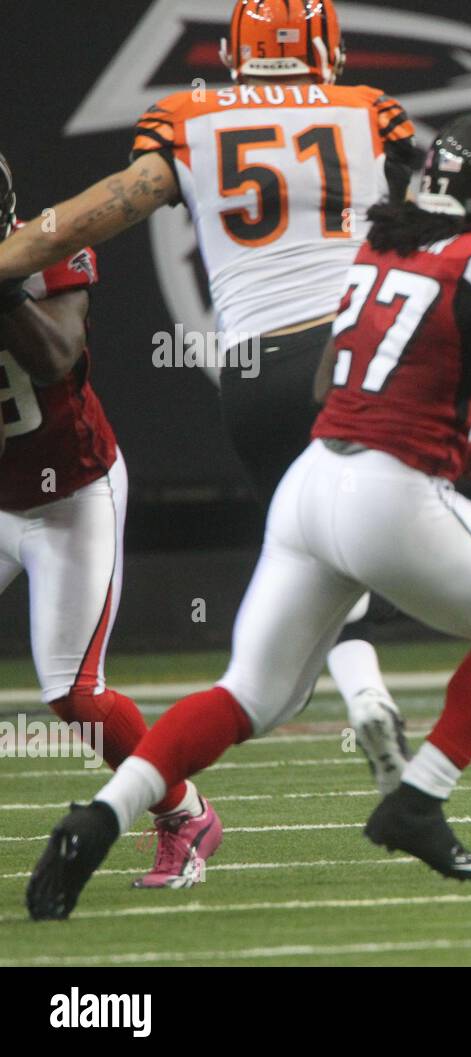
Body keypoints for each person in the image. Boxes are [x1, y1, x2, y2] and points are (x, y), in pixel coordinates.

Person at [26, 112, 471, 920]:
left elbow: (334, 385)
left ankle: (97, 817)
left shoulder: (383, 245)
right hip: (387, 497)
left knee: (247, 693)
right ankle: (419, 798)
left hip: (310, 487)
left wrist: (453, 445)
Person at [0, 0, 425, 793]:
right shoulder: (370, 111)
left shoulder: (191, 117)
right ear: (325, 48)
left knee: (316, 551)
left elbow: (75, 225)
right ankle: (363, 684)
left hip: (256, 380)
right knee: (354, 548)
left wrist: (9, 253)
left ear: (235, 51)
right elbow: (438, 228)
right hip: (350, 356)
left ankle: (351, 685)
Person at [0, 152, 220, 889]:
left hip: (71, 496)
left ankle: (184, 810)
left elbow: (58, 352)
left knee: (75, 692)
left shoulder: (50, 248)